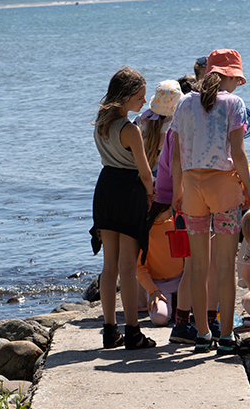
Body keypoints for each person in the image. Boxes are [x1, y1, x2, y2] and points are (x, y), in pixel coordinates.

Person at [172, 49, 250, 353]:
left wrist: (177, 191)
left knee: (196, 266)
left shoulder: (184, 103)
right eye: (237, 79)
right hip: (223, 188)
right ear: (229, 76)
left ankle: (203, 334)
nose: (238, 86)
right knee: (225, 267)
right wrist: (248, 188)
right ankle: (227, 336)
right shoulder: (234, 104)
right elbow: (240, 153)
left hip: (193, 187)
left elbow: (178, 154)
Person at [89, 66, 156, 350]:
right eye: (140, 97)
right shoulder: (130, 129)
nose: (144, 102)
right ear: (126, 96)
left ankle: (109, 330)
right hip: (129, 191)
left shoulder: (101, 123)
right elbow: (143, 171)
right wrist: (152, 193)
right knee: (129, 267)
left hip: (106, 189)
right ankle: (133, 331)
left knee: (109, 267)